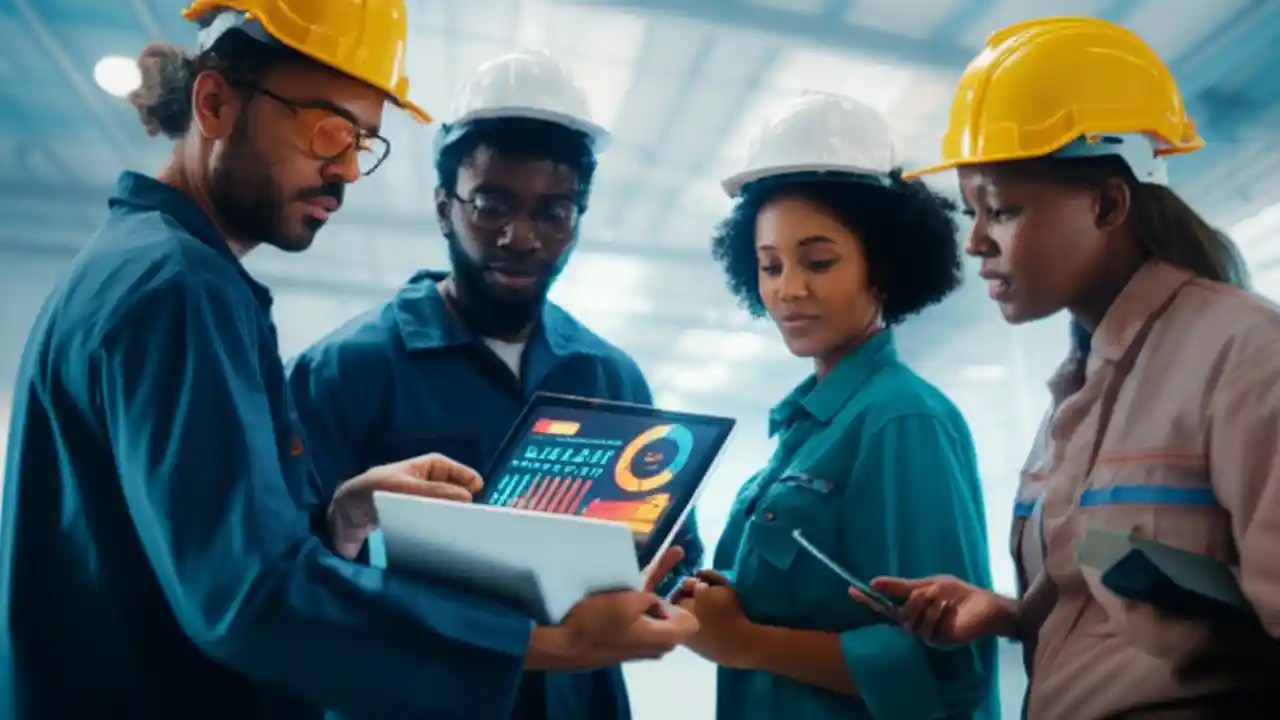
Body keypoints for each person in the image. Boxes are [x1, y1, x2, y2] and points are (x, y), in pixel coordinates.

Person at [0, 4, 697, 719]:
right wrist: (544, 642)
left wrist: (339, 520)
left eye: (362, 141)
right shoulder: (179, 290)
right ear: (213, 103)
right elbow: (249, 596)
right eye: (327, 130)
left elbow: (202, 550)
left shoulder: (152, 270)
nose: (347, 171)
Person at [849, 16, 1280, 718]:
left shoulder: (1245, 357)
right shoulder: (1077, 391)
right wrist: (1012, 614)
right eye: (970, 211)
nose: (976, 243)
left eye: (1003, 210)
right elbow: (1142, 619)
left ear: (1110, 203)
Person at [285, 48, 704, 720]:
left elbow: (673, 554)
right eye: (490, 205)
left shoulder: (608, 375)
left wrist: (668, 593)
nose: (521, 236)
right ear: (443, 207)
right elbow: (290, 580)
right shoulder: (345, 371)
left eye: (554, 212)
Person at [671, 91, 999, 720]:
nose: (789, 290)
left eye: (819, 262)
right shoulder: (808, 427)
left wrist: (746, 644)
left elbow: (946, 667)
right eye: (769, 266)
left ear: (884, 265)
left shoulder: (904, 420)